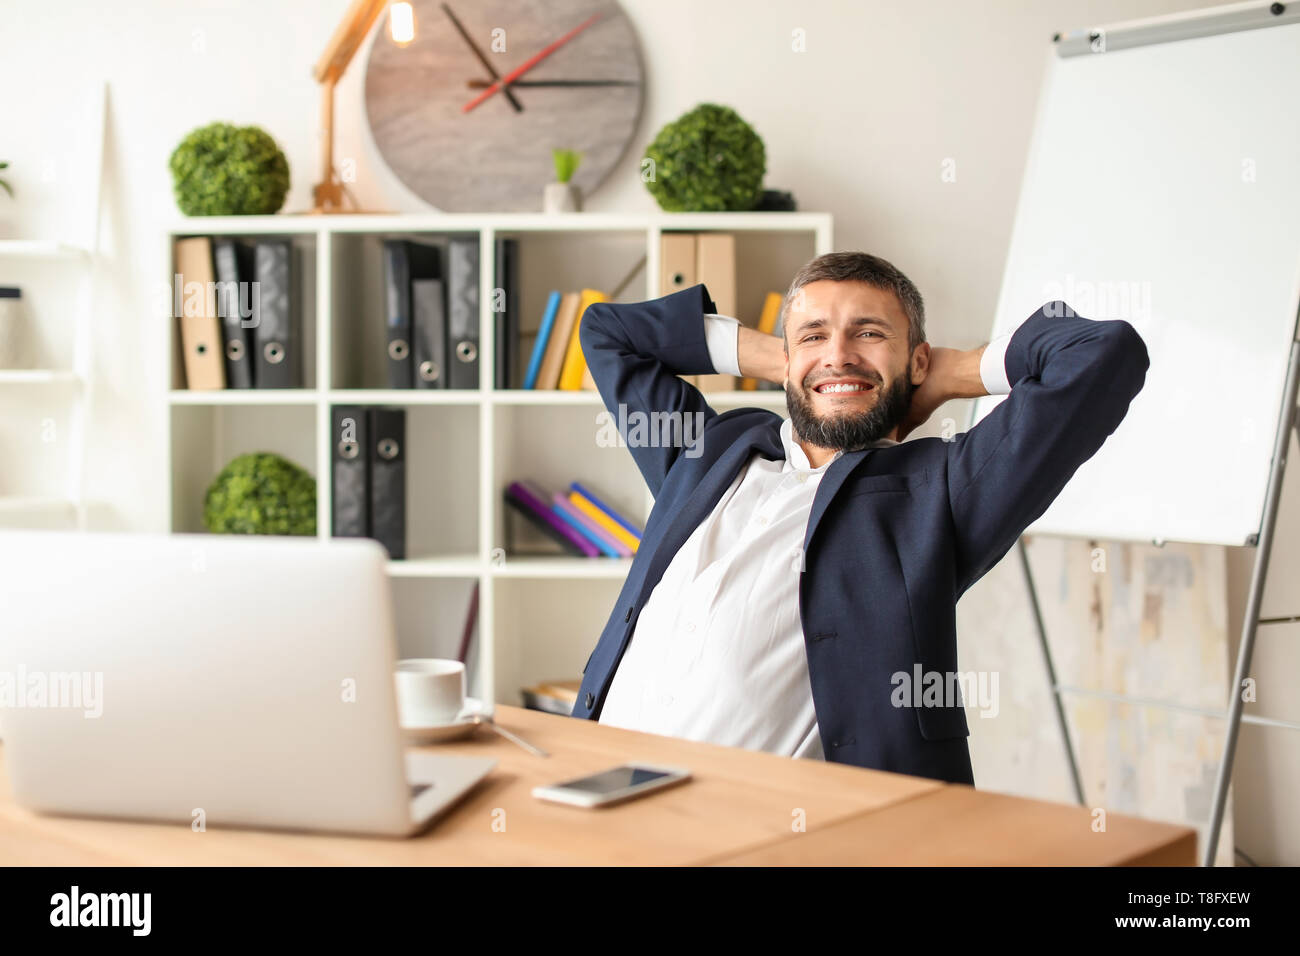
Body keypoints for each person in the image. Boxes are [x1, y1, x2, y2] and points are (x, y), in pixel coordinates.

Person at [571, 251, 1148, 785]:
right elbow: (608, 333)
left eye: (869, 334)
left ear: (916, 358)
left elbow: (1103, 353)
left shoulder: (942, 490)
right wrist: (792, 359)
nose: (840, 352)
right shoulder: (711, 448)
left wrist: (957, 371)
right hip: (600, 797)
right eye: (816, 333)